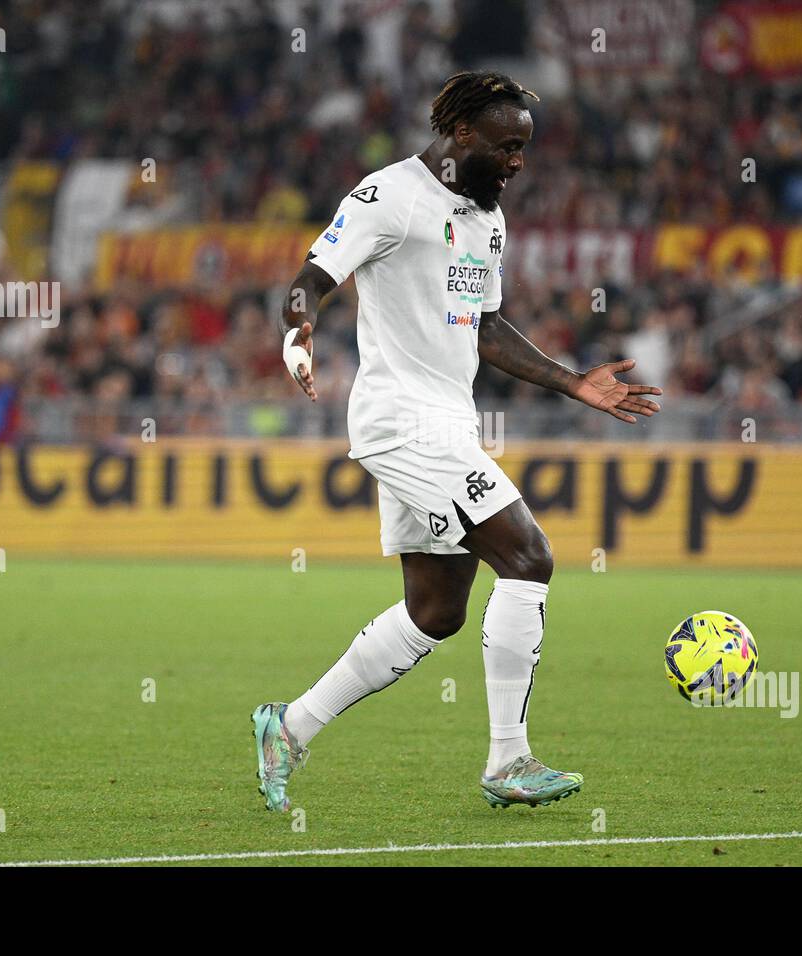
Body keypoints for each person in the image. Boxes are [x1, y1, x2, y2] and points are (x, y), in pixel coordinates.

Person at [252, 70, 662, 811]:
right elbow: (309, 279)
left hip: (447, 420)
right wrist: (298, 329)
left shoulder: (486, 220)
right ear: (461, 134)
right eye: (506, 147)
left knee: (435, 611)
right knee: (529, 556)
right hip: (399, 420)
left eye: (524, 150)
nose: (516, 163)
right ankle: (510, 759)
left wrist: (573, 382)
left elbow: (485, 327)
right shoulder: (388, 197)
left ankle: (289, 726)